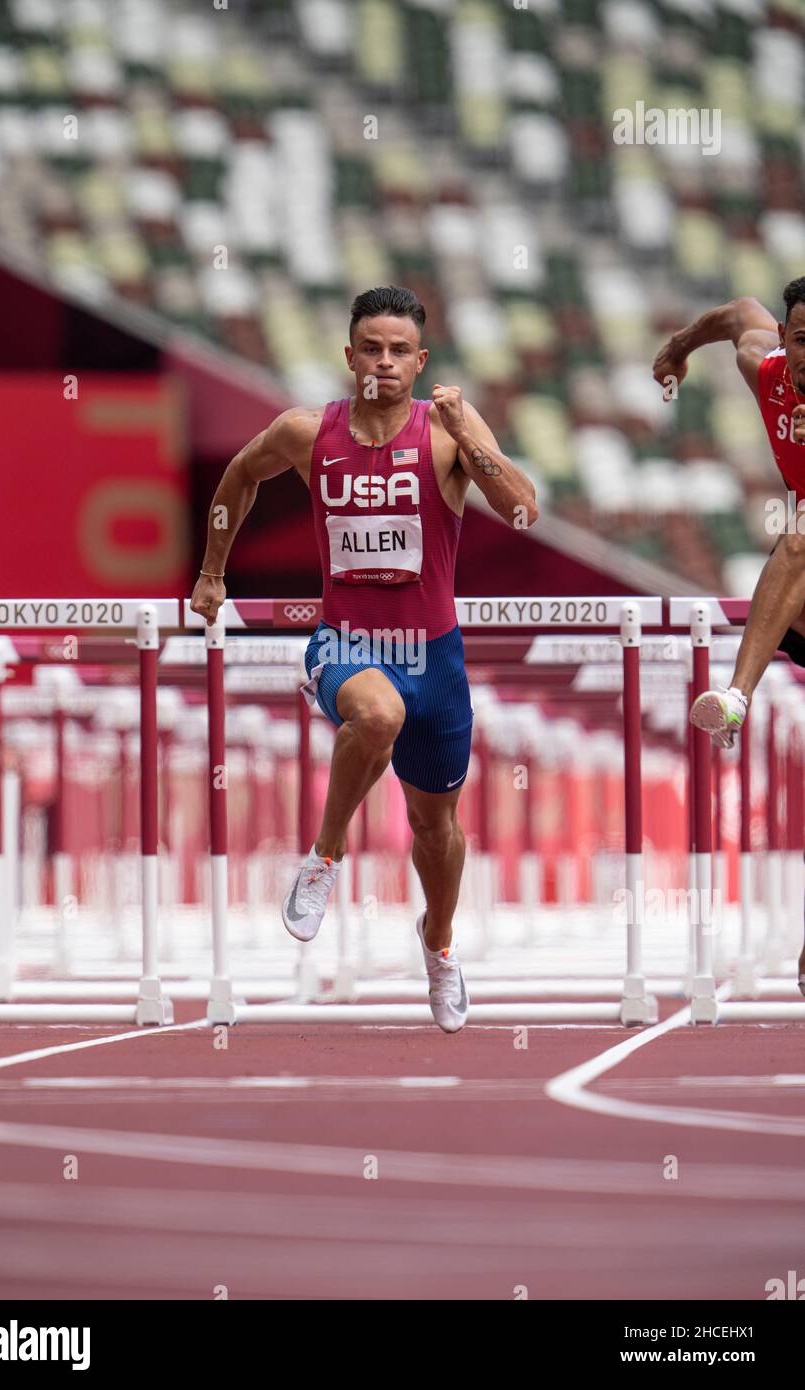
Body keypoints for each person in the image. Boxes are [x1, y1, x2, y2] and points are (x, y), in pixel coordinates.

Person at [190, 285, 538, 1030]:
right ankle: (323, 858)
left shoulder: (447, 428)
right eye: (369, 349)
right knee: (375, 714)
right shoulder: (304, 431)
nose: (383, 362)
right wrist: (214, 570)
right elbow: (238, 478)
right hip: (346, 640)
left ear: (420, 361)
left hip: (434, 656)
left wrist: (466, 438)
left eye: (397, 351)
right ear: (348, 357)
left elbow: (522, 508)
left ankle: (438, 947)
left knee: (435, 829)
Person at [653, 280, 805, 996]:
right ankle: (736, 697)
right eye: (802, 341)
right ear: (785, 337)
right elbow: (737, 314)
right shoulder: (764, 363)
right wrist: (679, 349)